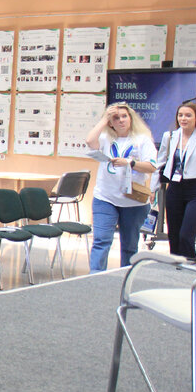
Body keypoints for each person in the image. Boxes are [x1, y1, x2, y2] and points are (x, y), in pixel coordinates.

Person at [85, 103, 157, 272]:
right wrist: (104, 118)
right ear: (110, 122)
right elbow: (89, 141)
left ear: (131, 119)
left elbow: (152, 167)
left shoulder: (142, 140)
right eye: (116, 118)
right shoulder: (105, 138)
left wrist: (130, 163)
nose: (121, 120)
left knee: (129, 245)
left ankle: (125, 278)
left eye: (124, 116)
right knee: (101, 241)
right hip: (105, 198)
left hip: (133, 202)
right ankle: (94, 278)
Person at [158, 102, 196, 259]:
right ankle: (174, 269)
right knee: (173, 235)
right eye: (180, 115)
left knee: (186, 235)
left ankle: (191, 265)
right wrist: (154, 188)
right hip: (175, 187)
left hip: (195, 189)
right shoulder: (170, 136)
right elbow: (160, 161)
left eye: (188, 115)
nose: (183, 118)